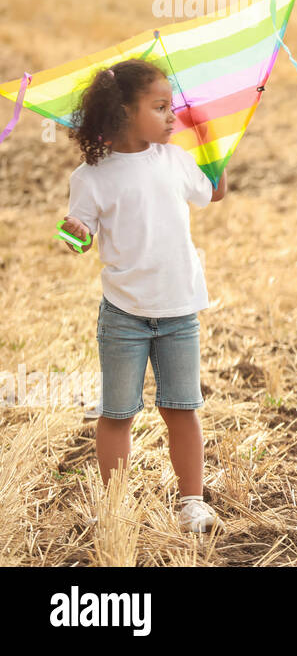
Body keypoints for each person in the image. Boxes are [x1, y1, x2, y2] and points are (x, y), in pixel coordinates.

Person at [61, 58, 226, 534]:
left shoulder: (174, 160)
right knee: (116, 413)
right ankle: (114, 504)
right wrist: (72, 232)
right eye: (159, 107)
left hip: (178, 312)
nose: (171, 115)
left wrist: (215, 144)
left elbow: (213, 193)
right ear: (122, 113)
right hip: (124, 315)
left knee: (182, 408)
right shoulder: (90, 177)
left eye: (171, 106)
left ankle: (192, 501)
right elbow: (81, 240)